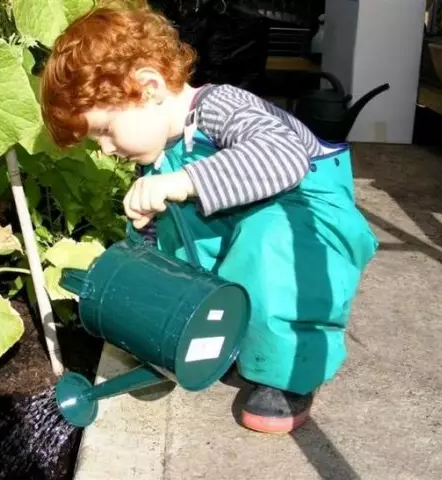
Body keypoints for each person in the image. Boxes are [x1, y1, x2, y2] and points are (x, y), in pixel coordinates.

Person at [40, 4, 379, 434]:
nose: (105, 149)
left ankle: (286, 375)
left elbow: (284, 157)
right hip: (251, 224)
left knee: (267, 241)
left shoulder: (221, 106)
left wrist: (183, 181)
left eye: (106, 131)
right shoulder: (159, 154)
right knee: (177, 238)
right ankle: (233, 337)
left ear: (148, 87)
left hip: (310, 223)